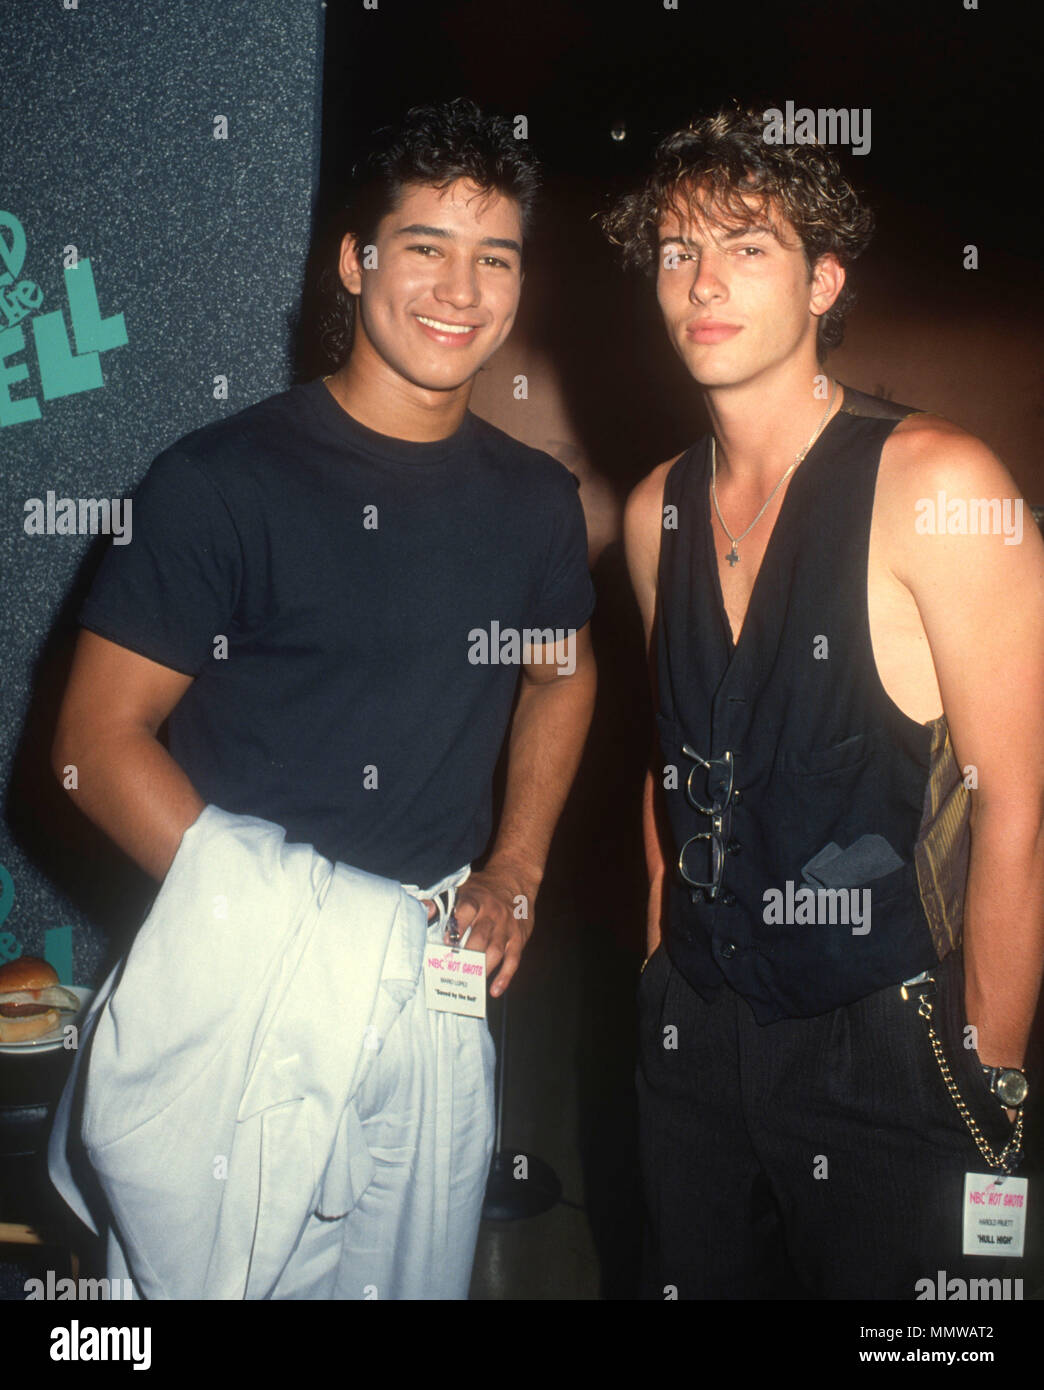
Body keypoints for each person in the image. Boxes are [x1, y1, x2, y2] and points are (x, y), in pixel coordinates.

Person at [49, 97, 597, 1299]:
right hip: (236, 977)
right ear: (356, 263)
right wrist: (299, 920)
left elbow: (562, 671)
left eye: (493, 258)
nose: (460, 289)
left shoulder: (535, 503)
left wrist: (516, 866)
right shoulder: (218, 482)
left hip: (435, 969)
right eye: (424, 248)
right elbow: (92, 742)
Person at [605, 106, 1044, 1299]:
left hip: (887, 1047)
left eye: (749, 247)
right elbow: (673, 764)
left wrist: (985, 1073)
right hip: (695, 1036)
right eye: (677, 251)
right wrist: (659, 976)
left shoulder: (939, 485)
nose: (705, 279)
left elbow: (1017, 810)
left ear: (823, 280)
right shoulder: (654, 513)